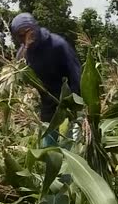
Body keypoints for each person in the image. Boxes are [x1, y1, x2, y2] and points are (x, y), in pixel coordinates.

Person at [10, 13, 83, 147]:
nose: (26, 37)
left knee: (71, 143)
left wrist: (76, 101)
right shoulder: (25, 51)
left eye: (28, 31)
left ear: (35, 28)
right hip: (48, 100)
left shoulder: (57, 44)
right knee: (48, 145)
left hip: (70, 98)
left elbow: (75, 73)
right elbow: (18, 70)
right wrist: (26, 46)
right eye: (21, 35)